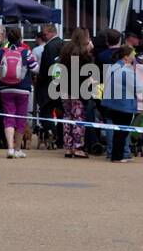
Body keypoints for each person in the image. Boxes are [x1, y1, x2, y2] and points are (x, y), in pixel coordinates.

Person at [0, 26, 37, 158]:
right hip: (23, 88)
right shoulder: (26, 51)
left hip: (5, 89)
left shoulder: (2, 51)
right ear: (20, 37)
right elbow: (35, 68)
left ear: (7, 37)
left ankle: (10, 148)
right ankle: (18, 149)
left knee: (9, 117)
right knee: (21, 118)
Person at [57, 29, 94, 158]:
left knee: (67, 117)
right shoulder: (83, 53)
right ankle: (78, 147)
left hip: (65, 88)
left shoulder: (66, 50)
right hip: (78, 89)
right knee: (78, 118)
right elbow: (87, 71)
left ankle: (68, 147)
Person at [101, 44, 140, 162]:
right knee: (121, 132)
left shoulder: (113, 67)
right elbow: (136, 87)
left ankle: (116, 154)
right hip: (123, 105)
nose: (134, 57)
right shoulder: (126, 70)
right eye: (132, 54)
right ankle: (117, 156)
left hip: (112, 103)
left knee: (118, 131)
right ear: (126, 57)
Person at [35, 23, 63, 148]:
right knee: (62, 113)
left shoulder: (49, 47)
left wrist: (39, 80)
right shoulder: (63, 44)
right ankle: (61, 138)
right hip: (62, 84)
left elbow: (46, 68)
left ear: (51, 33)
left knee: (45, 112)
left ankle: (54, 134)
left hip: (49, 85)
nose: (43, 36)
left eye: (45, 34)